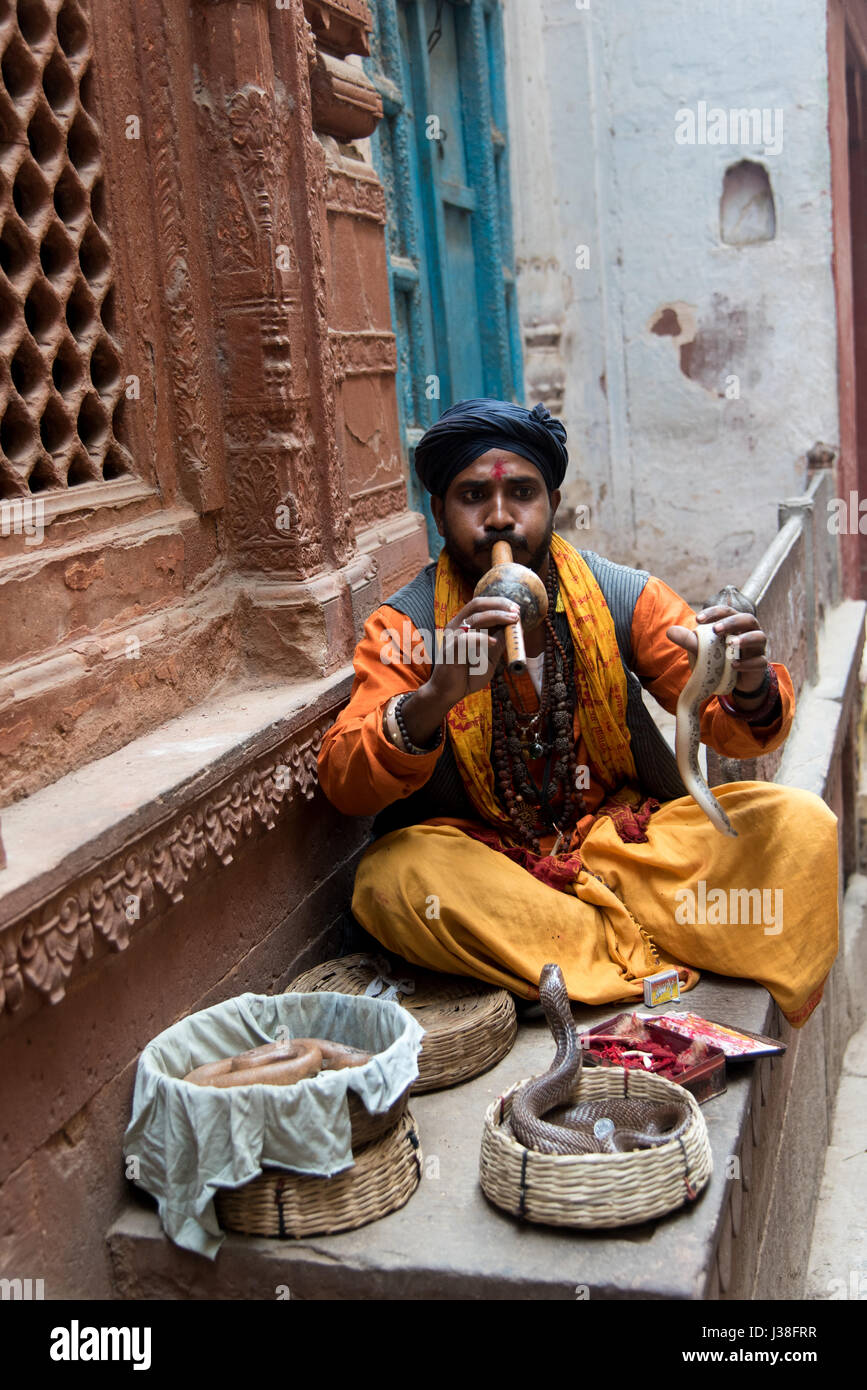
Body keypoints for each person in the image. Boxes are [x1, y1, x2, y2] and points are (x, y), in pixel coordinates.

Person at [317, 399, 838, 1027]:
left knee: (799, 823)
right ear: (438, 512)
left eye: (523, 494)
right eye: (473, 495)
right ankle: (645, 948)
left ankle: (578, 955)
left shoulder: (624, 596)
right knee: (392, 882)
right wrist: (435, 697)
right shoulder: (407, 627)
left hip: (627, 850)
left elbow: (734, 731)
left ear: (555, 502)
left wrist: (747, 684)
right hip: (490, 865)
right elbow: (345, 783)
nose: (501, 518)